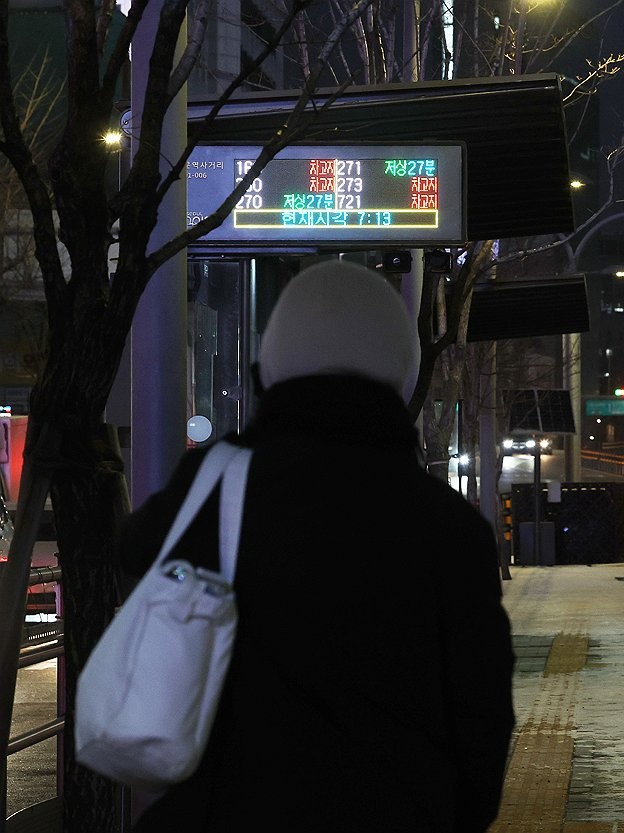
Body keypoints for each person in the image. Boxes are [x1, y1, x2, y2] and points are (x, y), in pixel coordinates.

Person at [114, 260, 515, 832]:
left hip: (223, 813)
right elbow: (481, 716)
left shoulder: (219, 488)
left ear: (269, 369)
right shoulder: (451, 529)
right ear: (401, 372)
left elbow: (132, 551)